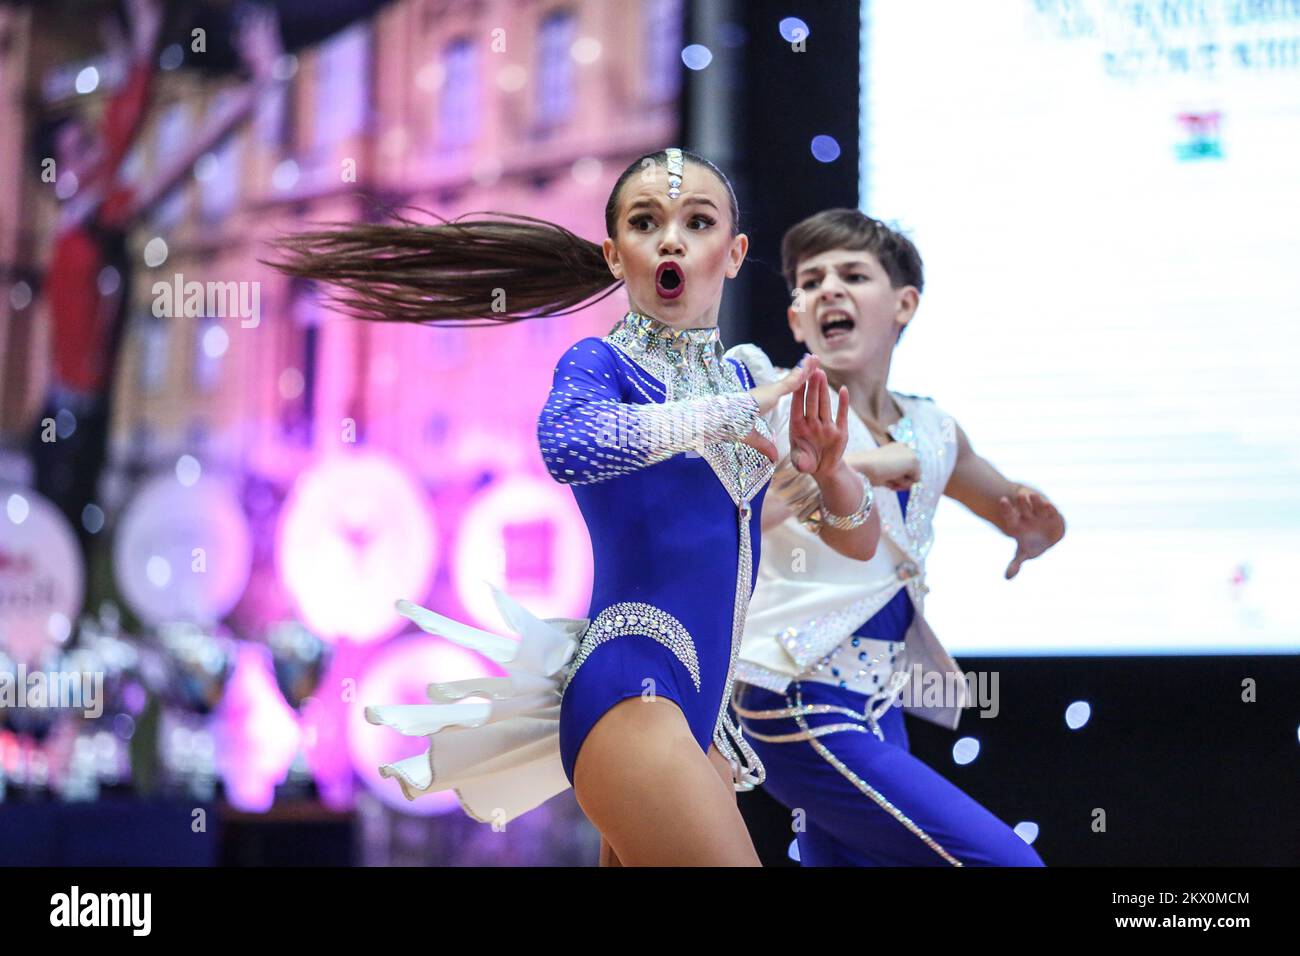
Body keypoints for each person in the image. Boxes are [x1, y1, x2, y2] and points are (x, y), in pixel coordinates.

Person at [267, 150, 882, 866]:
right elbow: (572, 444)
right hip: (631, 691)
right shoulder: (602, 367)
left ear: (735, 252)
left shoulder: (749, 373)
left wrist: (833, 472)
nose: (673, 240)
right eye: (647, 223)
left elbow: (859, 540)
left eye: (699, 221)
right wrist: (727, 414)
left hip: (698, 720)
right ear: (616, 255)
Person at [727, 209, 1064, 866]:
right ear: (797, 318)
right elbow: (751, 506)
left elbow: (1011, 510)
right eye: (811, 281)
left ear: (904, 305)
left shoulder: (935, 429)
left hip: (881, 703)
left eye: (853, 275)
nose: (829, 289)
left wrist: (1039, 530)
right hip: (795, 697)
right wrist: (864, 466)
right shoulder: (776, 405)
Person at [27, 1, 282, 551]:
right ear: (61, 176)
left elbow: (121, 131)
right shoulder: (92, 224)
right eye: (82, 147)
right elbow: (176, 160)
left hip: (72, 424)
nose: (99, 149)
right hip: (69, 431)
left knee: (60, 552)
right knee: (58, 556)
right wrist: (253, 93)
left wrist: (142, 49)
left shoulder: (86, 220)